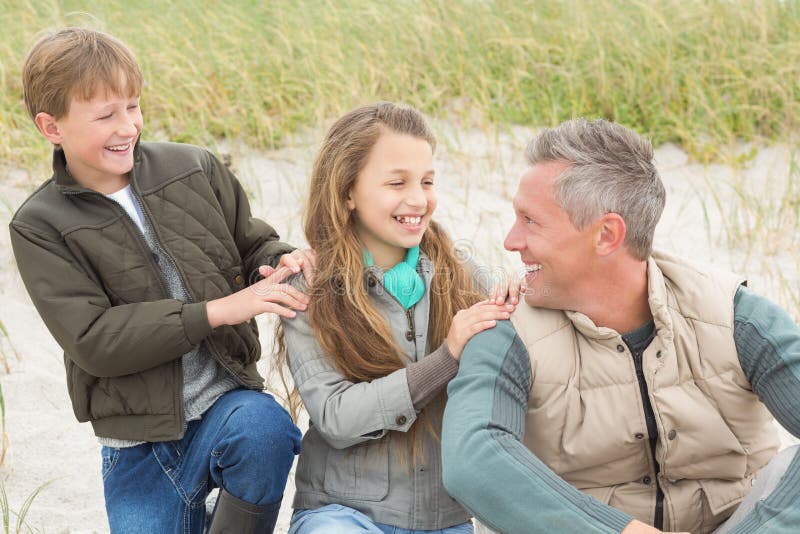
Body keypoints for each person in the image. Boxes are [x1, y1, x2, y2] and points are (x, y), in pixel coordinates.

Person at [10, 27, 313, 533]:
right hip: (139, 448)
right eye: (105, 115)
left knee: (266, 430)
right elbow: (95, 341)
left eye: (133, 106)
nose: (127, 126)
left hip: (226, 401)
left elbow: (252, 243)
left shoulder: (193, 167)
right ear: (51, 126)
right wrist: (219, 310)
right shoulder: (39, 224)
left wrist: (283, 261)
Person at [441, 119, 800, 533]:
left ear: (607, 234)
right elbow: (473, 457)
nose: (510, 240)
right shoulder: (505, 328)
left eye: (530, 221)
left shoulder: (732, 315)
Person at [275, 102, 516, 533]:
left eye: (427, 181)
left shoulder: (461, 274)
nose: (418, 200)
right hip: (342, 514)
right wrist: (447, 357)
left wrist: (518, 296)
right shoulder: (308, 289)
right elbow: (335, 415)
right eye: (396, 183)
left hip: (445, 520)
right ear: (347, 191)